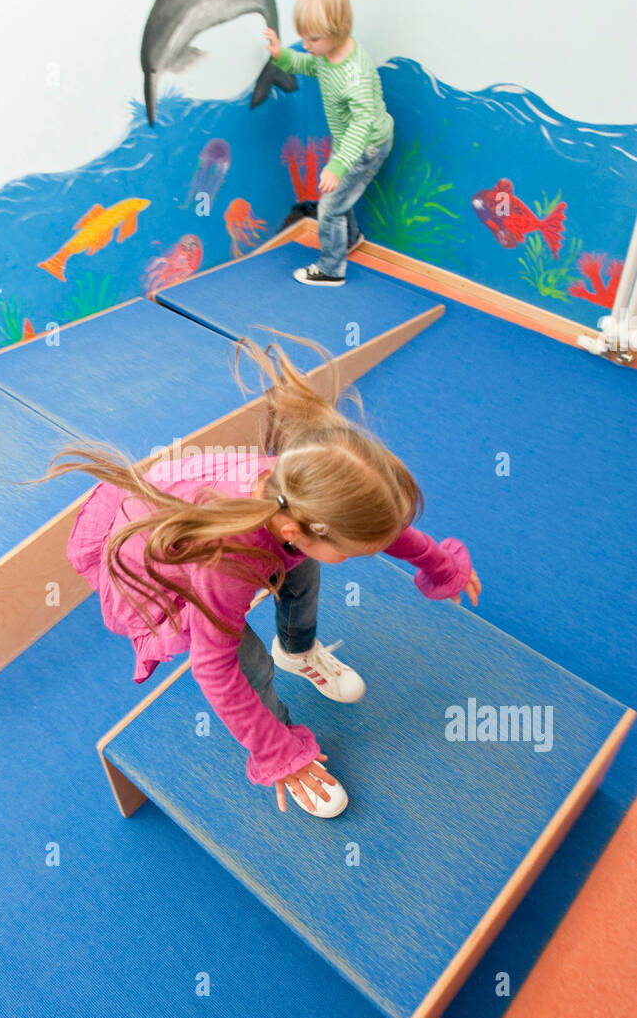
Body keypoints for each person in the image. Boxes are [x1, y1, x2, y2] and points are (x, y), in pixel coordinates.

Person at [39, 336, 480, 819]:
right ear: (296, 530)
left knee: (303, 570)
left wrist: (439, 564)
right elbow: (215, 669)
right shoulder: (226, 563)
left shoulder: (306, 494)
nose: (361, 557)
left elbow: (379, 529)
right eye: (352, 553)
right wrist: (277, 754)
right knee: (247, 663)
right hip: (166, 557)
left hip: (246, 525)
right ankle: (285, 740)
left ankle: (297, 651)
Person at [265, 0, 394, 286]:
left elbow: (362, 125)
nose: (307, 45)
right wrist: (282, 56)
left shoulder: (355, 75)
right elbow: (311, 65)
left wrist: (338, 165)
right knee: (339, 198)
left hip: (367, 145)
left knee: (329, 206)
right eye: (303, 38)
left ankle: (331, 268)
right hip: (351, 141)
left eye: (313, 39)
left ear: (336, 33)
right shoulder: (328, 55)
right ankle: (350, 238)